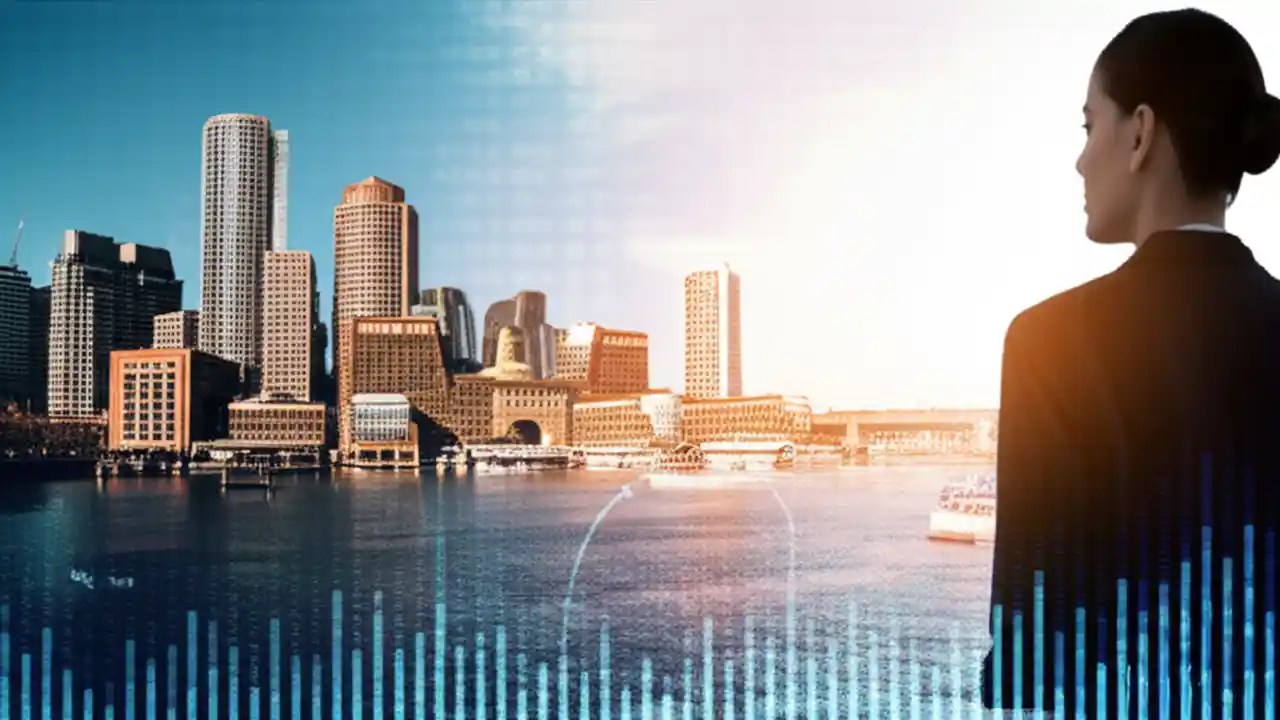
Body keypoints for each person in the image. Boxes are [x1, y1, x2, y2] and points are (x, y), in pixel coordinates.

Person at [982, 9, 1280, 719]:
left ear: (1140, 133)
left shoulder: (1048, 342)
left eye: (1090, 127)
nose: (1081, 158)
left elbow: (1028, 657)